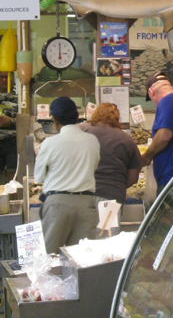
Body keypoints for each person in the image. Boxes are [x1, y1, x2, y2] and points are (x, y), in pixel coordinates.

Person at [34, 96, 101, 254]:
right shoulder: (92, 141)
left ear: (55, 120)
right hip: (86, 204)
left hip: (57, 205)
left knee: (49, 259)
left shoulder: (49, 144)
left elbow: (38, 177)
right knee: (82, 261)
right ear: (77, 117)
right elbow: (94, 166)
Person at [79, 102, 144, 205]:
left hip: (81, 194)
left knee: (85, 221)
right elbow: (133, 177)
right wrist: (118, 185)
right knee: (109, 222)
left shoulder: (81, 130)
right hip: (112, 195)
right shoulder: (127, 139)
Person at [142, 70, 173, 194]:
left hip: (171, 179)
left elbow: (164, 136)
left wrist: (147, 156)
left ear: (151, 92)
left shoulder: (168, 100)